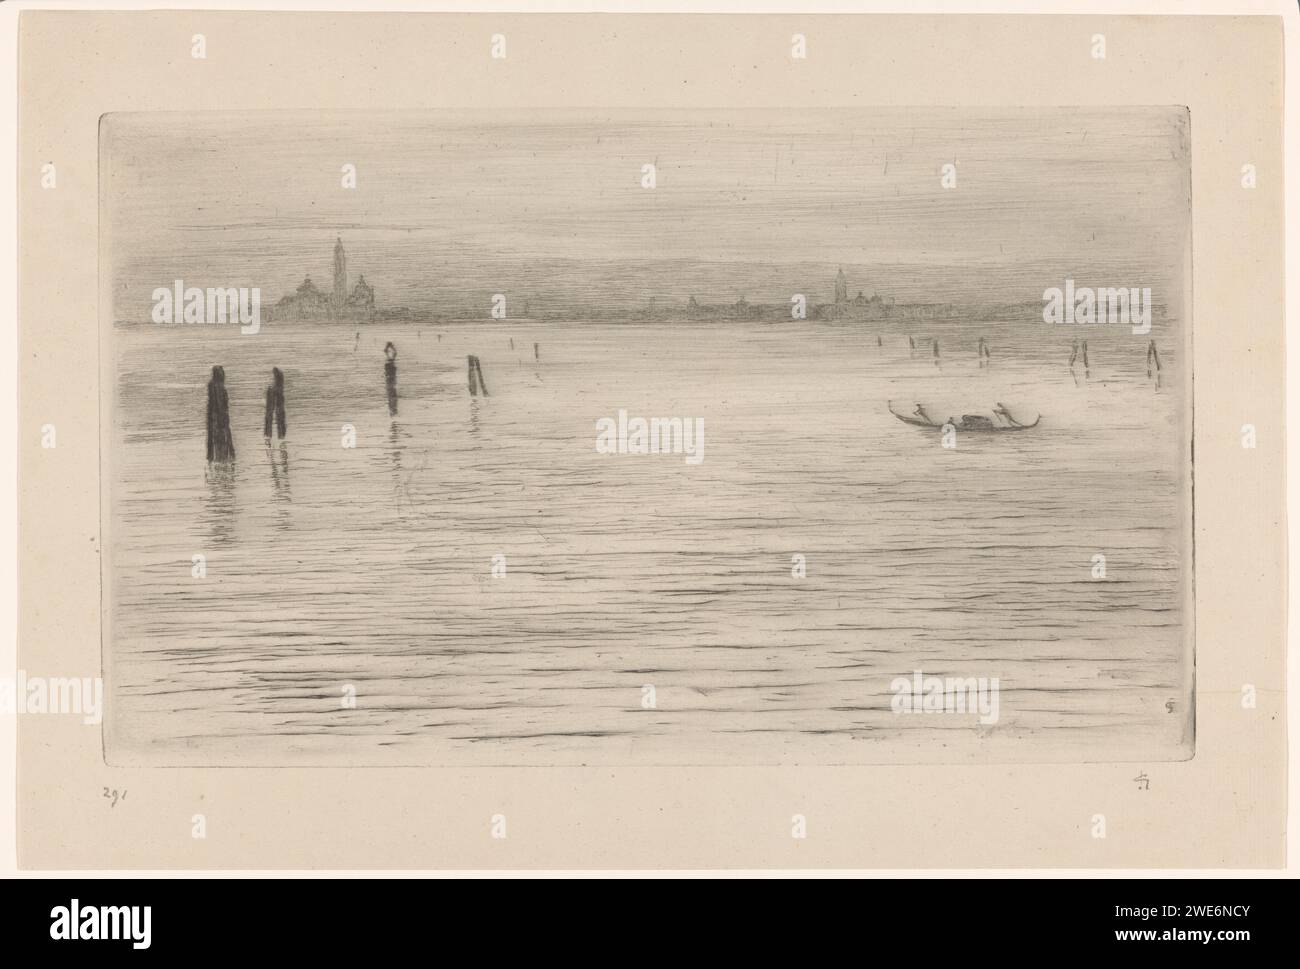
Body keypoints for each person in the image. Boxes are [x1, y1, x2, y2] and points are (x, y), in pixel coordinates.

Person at [206, 365, 235, 463]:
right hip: (220, 419)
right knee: (222, 441)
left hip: (213, 419)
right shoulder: (219, 387)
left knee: (214, 442)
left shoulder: (212, 385)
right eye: (222, 374)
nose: (224, 376)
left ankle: (215, 459)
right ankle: (222, 459)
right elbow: (220, 405)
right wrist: (223, 419)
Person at [263, 367, 287, 443]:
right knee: (276, 415)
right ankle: (277, 436)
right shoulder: (275, 389)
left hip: (276, 394)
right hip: (276, 394)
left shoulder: (276, 389)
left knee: (276, 415)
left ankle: (273, 436)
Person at [384, 342, 398, 416]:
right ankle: (393, 412)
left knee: (392, 397)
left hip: (391, 383)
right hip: (391, 383)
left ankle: (393, 412)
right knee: (392, 397)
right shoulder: (390, 364)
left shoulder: (389, 363)